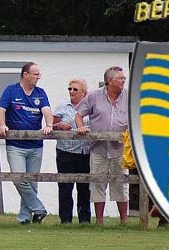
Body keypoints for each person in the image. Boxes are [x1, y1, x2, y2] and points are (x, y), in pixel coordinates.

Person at [0, 62, 54, 224]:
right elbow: (0, 110)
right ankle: (39, 209)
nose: (38, 77)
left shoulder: (40, 93)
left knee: (32, 182)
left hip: (36, 145)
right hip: (15, 145)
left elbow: (47, 111)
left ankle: (24, 218)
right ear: (25, 74)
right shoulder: (11, 90)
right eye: (35, 74)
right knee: (18, 178)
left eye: (39, 74)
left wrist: (49, 125)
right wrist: (2, 125)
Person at [76, 66, 130, 225]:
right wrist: (81, 127)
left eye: (124, 78)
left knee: (121, 184)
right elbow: (78, 114)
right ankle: (99, 222)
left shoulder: (129, 97)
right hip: (98, 148)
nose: (123, 81)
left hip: (120, 149)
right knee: (97, 183)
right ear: (110, 81)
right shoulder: (94, 96)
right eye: (120, 78)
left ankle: (124, 221)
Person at [52, 79, 91, 224]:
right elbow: (51, 126)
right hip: (65, 152)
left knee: (84, 188)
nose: (71, 92)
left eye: (75, 89)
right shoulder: (62, 107)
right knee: (65, 187)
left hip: (85, 152)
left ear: (83, 92)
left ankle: (84, 220)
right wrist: (59, 125)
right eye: (70, 89)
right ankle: (65, 220)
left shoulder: (90, 107)